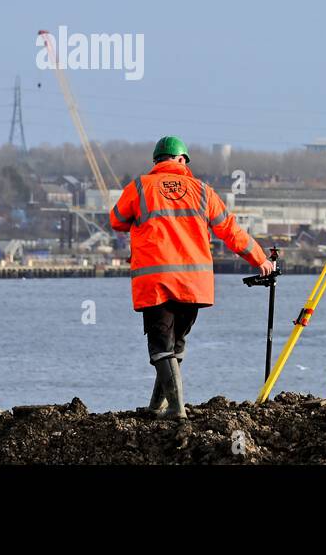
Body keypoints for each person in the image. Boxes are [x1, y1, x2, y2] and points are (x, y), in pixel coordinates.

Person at [109, 136, 273, 418]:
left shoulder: (140, 187)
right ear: (182, 160)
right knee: (176, 344)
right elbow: (231, 231)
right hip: (193, 285)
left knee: (160, 347)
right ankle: (158, 407)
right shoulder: (202, 191)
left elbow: (117, 221)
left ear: (157, 161)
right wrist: (260, 259)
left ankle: (175, 410)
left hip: (157, 282)